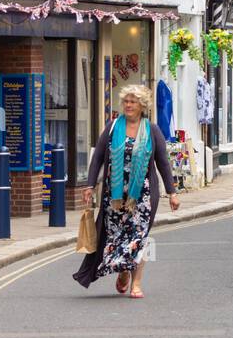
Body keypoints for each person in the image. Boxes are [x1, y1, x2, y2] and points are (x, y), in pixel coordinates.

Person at [73, 86, 180, 298]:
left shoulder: (152, 130)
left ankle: (136, 284)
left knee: (139, 238)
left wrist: (172, 192)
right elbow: (97, 159)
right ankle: (123, 271)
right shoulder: (113, 127)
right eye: (126, 101)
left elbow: (163, 163)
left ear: (142, 105)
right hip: (114, 198)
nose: (128, 105)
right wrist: (89, 185)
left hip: (143, 197)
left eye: (133, 102)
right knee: (116, 238)